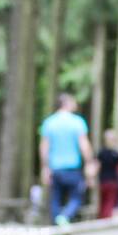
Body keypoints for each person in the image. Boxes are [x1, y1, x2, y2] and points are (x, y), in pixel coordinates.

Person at [39, 93, 93, 225]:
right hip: (72, 167)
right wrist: (89, 163)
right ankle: (65, 217)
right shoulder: (77, 122)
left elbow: (44, 147)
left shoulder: (49, 122)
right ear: (66, 103)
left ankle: (58, 227)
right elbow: (84, 145)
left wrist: (45, 167)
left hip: (55, 168)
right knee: (77, 197)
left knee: (55, 199)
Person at [95, 129, 118, 219]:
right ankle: (105, 219)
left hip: (104, 180)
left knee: (105, 201)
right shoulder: (116, 154)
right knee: (109, 202)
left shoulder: (101, 152)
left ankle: (102, 218)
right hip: (111, 181)